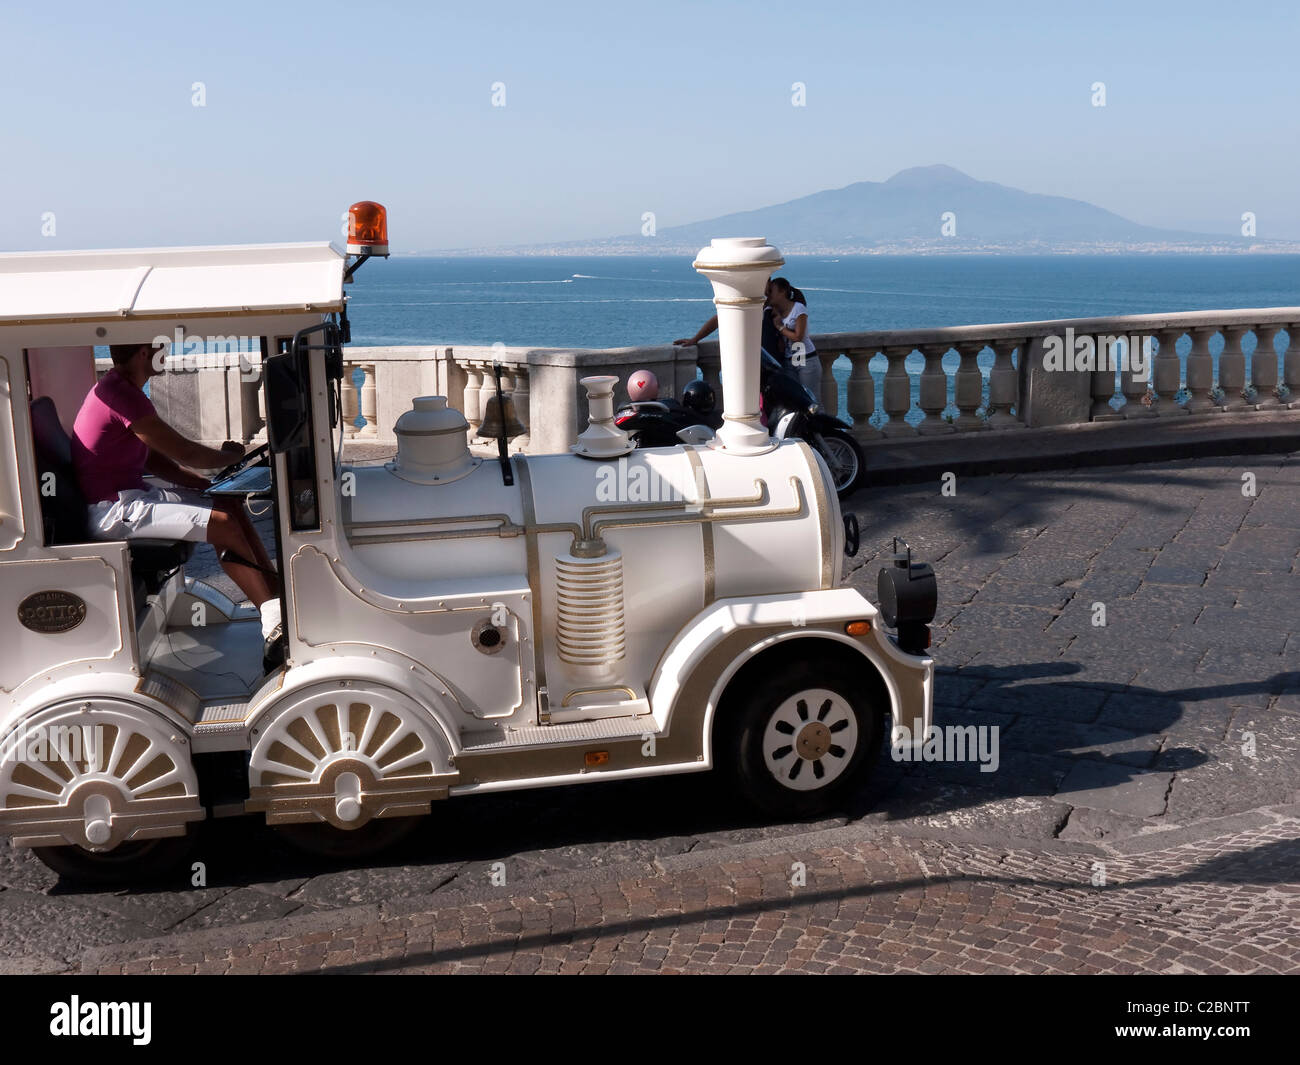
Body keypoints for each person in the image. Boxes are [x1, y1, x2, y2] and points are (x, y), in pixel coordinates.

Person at [72, 342, 283, 652]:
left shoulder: (121, 389)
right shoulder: (122, 395)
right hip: (112, 509)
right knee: (222, 523)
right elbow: (186, 452)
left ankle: (276, 597)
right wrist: (227, 456)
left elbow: (153, 460)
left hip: (130, 496)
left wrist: (202, 485)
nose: (166, 351)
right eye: (161, 347)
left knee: (227, 505)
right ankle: (274, 628)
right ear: (144, 353)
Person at [674, 279, 786, 361]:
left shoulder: (774, 306)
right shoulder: (749, 304)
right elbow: (719, 319)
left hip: (774, 359)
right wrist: (695, 339)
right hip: (757, 358)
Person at [768, 277, 821, 397]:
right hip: (790, 360)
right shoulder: (775, 311)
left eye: (771, 291)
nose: (769, 294)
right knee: (796, 399)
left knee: (811, 399)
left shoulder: (798, 308)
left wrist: (780, 327)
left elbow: (798, 337)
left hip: (805, 359)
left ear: (782, 292)